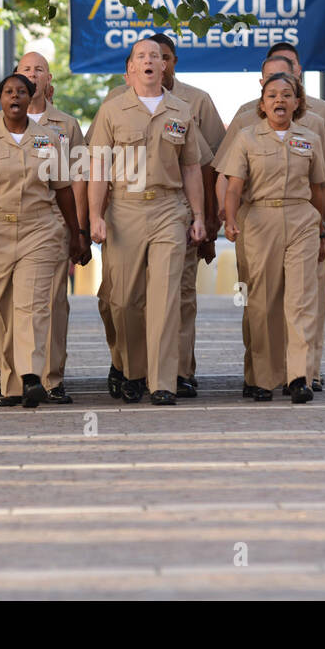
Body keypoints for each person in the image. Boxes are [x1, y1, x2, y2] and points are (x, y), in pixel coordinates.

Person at [214, 46, 325, 394]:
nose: (279, 100)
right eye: (272, 95)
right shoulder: (246, 135)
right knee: (261, 302)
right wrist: (228, 219)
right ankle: (262, 377)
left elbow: (323, 187)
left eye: (287, 95)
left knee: (301, 300)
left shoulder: (312, 136)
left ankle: (299, 377)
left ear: (297, 101)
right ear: (262, 102)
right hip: (259, 221)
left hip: (303, 221)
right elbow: (231, 185)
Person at [102, 33, 224, 397]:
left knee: (168, 296)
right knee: (123, 300)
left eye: (159, 56)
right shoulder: (112, 107)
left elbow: (199, 167)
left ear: (169, 63)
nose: (153, 62)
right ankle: (131, 370)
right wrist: (92, 216)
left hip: (171, 209)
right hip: (124, 209)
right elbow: (96, 167)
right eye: (143, 56)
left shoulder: (187, 107)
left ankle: (164, 381)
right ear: (130, 67)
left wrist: (203, 218)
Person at [0, 73, 84, 408]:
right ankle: (11, 383)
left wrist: (76, 233)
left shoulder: (47, 139)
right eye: (9, 92)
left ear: (31, 99)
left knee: (33, 304)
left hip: (39, 229)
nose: (15, 97)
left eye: (22, 92)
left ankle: (31, 375)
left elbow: (63, 190)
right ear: (0, 98)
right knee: (4, 310)